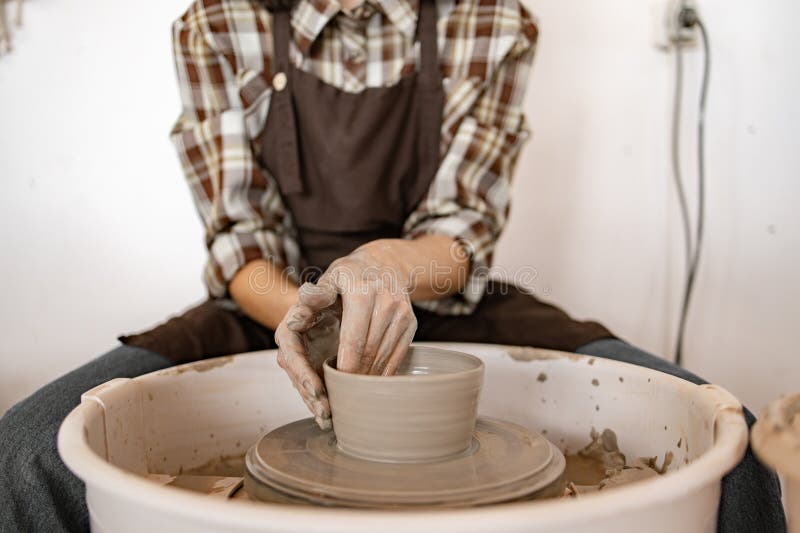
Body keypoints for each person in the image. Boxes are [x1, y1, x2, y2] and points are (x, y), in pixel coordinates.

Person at [0, 0, 786, 531]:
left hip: (444, 291)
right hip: (274, 304)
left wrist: (377, 270)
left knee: (739, 452)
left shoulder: (490, 18)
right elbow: (238, 239)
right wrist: (316, 315)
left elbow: (459, 232)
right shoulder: (218, 20)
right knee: (27, 452)